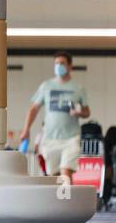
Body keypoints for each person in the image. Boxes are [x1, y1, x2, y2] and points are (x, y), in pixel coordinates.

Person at [18, 51, 90, 184]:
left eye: (62, 63)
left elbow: (87, 112)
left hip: (71, 138)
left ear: (70, 67)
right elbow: (34, 109)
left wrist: (78, 112)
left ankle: (67, 202)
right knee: (54, 176)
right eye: (56, 63)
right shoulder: (46, 86)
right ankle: (61, 201)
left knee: (65, 172)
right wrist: (26, 129)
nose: (59, 66)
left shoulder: (78, 88)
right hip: (50, 138)